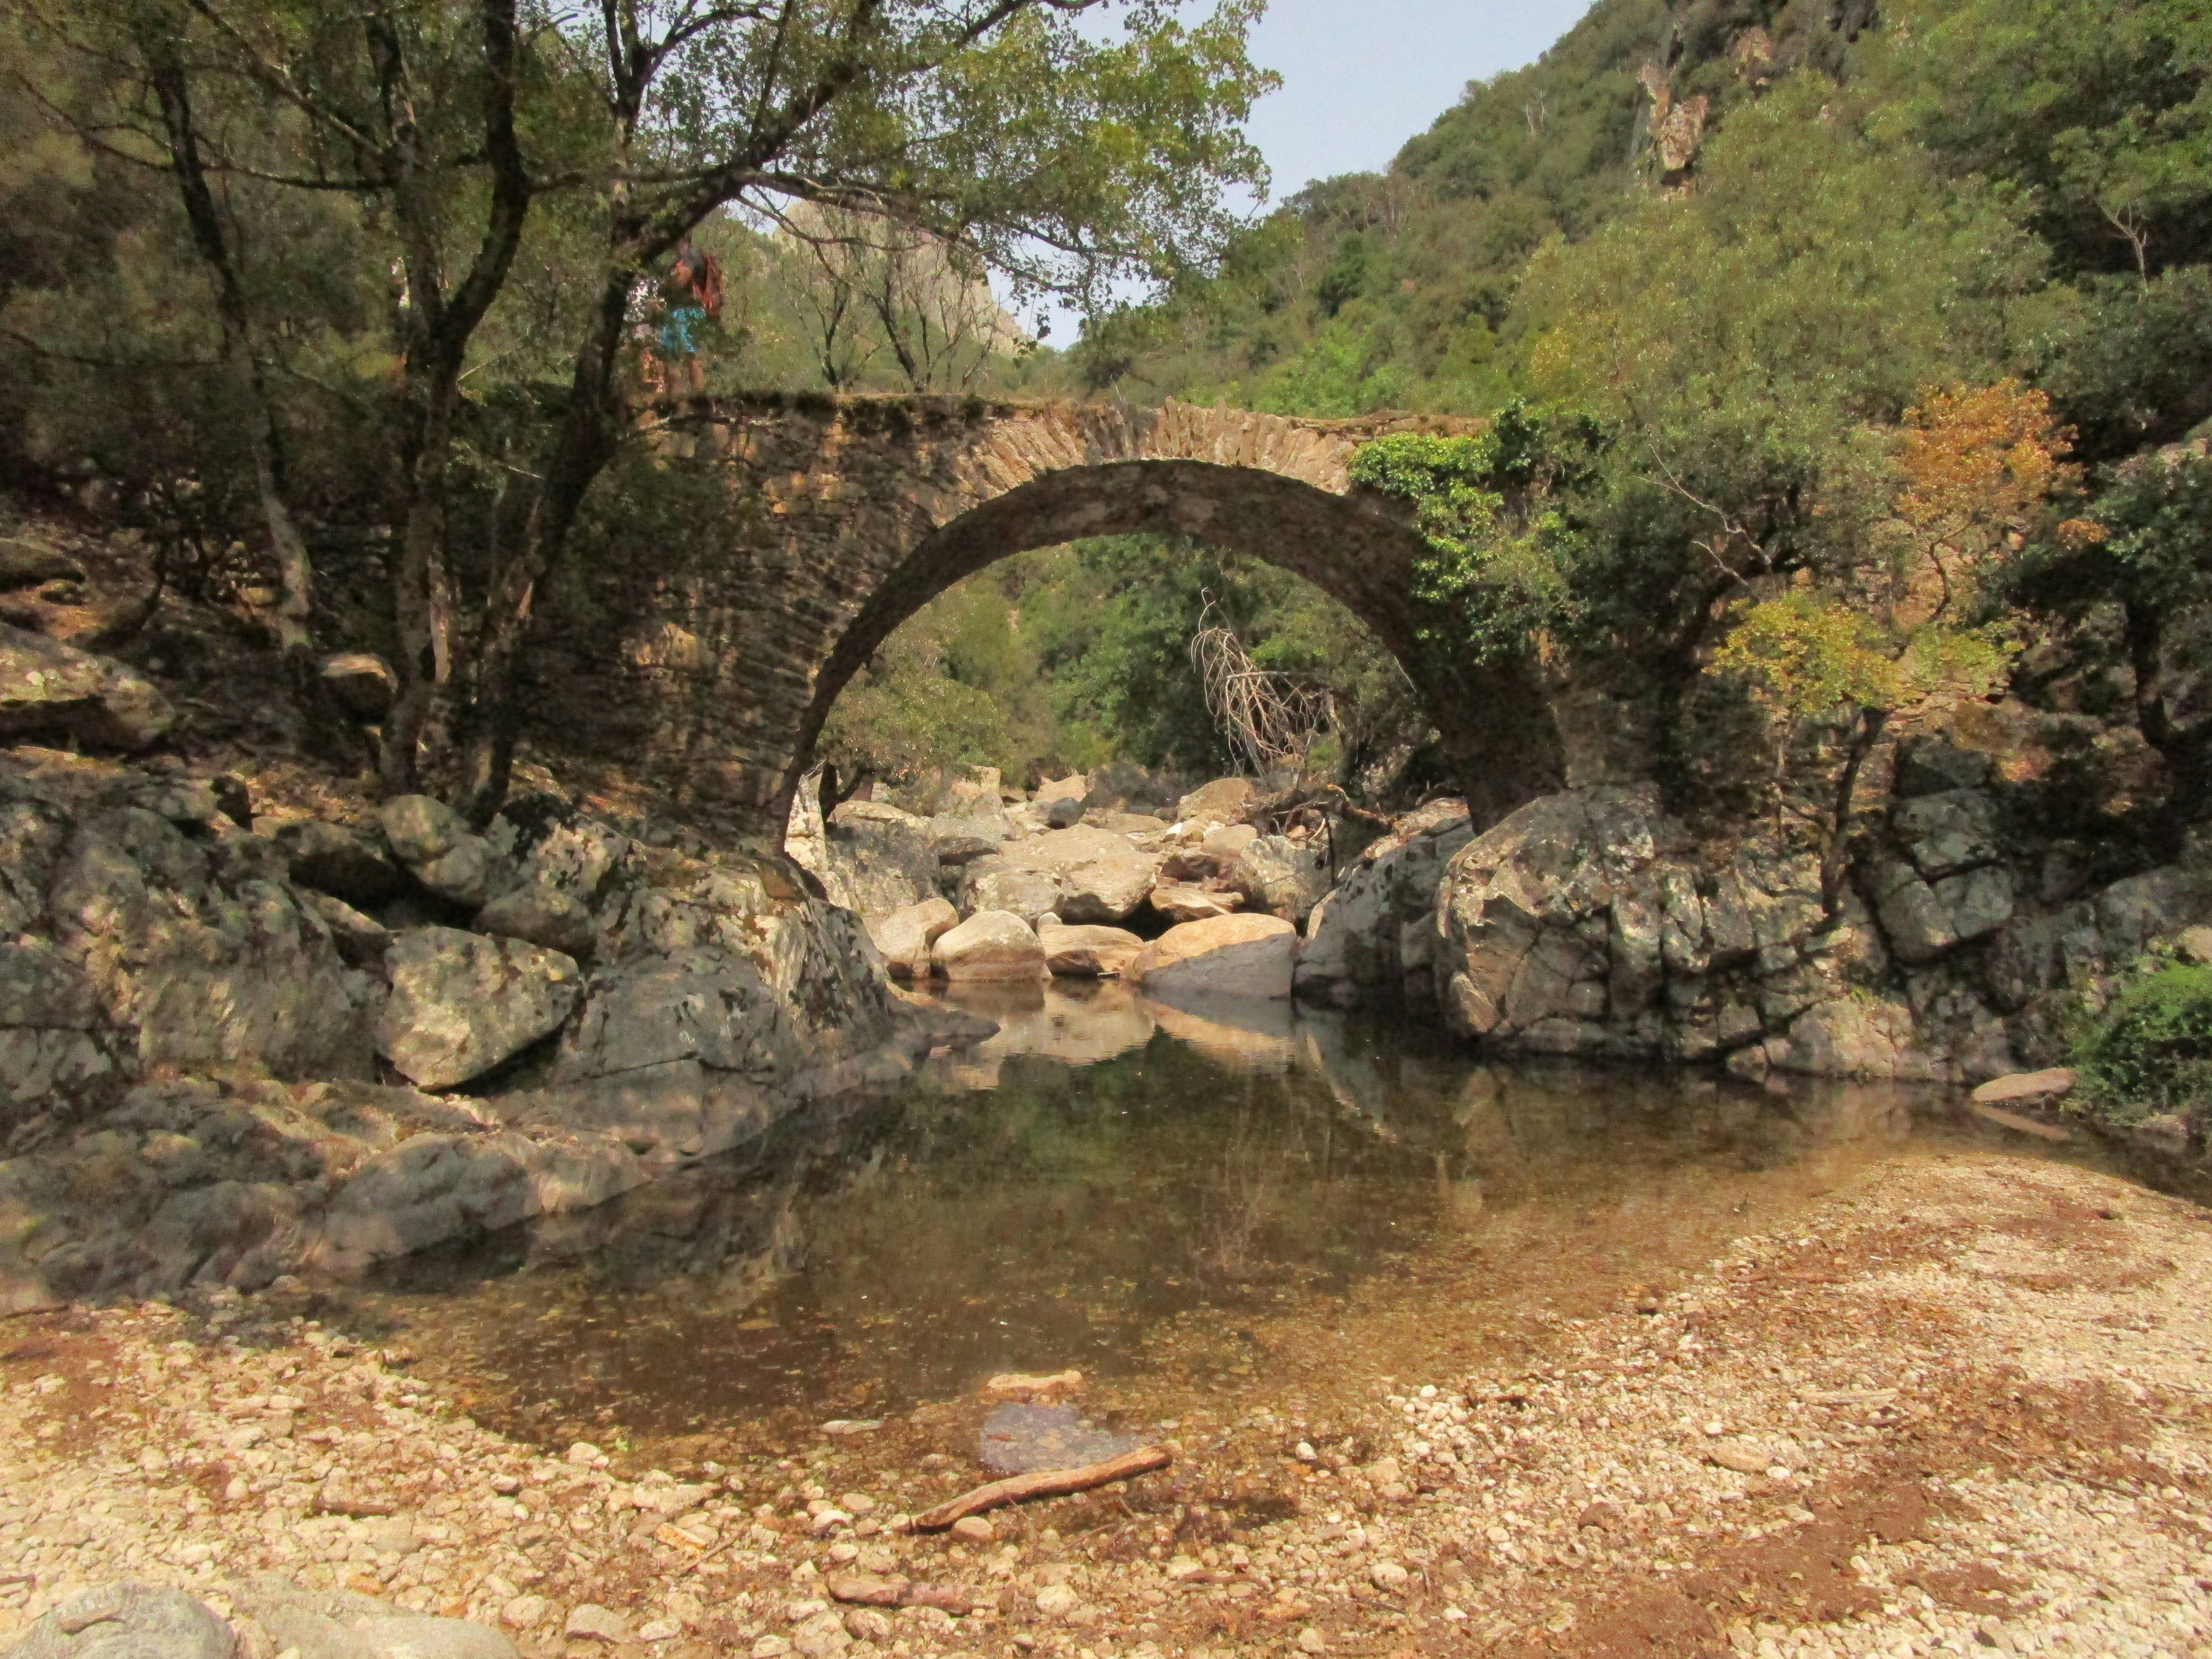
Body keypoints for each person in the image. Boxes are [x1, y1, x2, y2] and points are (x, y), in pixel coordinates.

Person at [649, 238, 722, 397]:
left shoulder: (692, 256)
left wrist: (662, 287)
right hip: (673, 312)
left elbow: (680, 280)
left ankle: (698, 402)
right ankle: (675, 404)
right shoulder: (679, 260)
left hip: (690, 312)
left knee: (691, 357)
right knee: (670, 358)